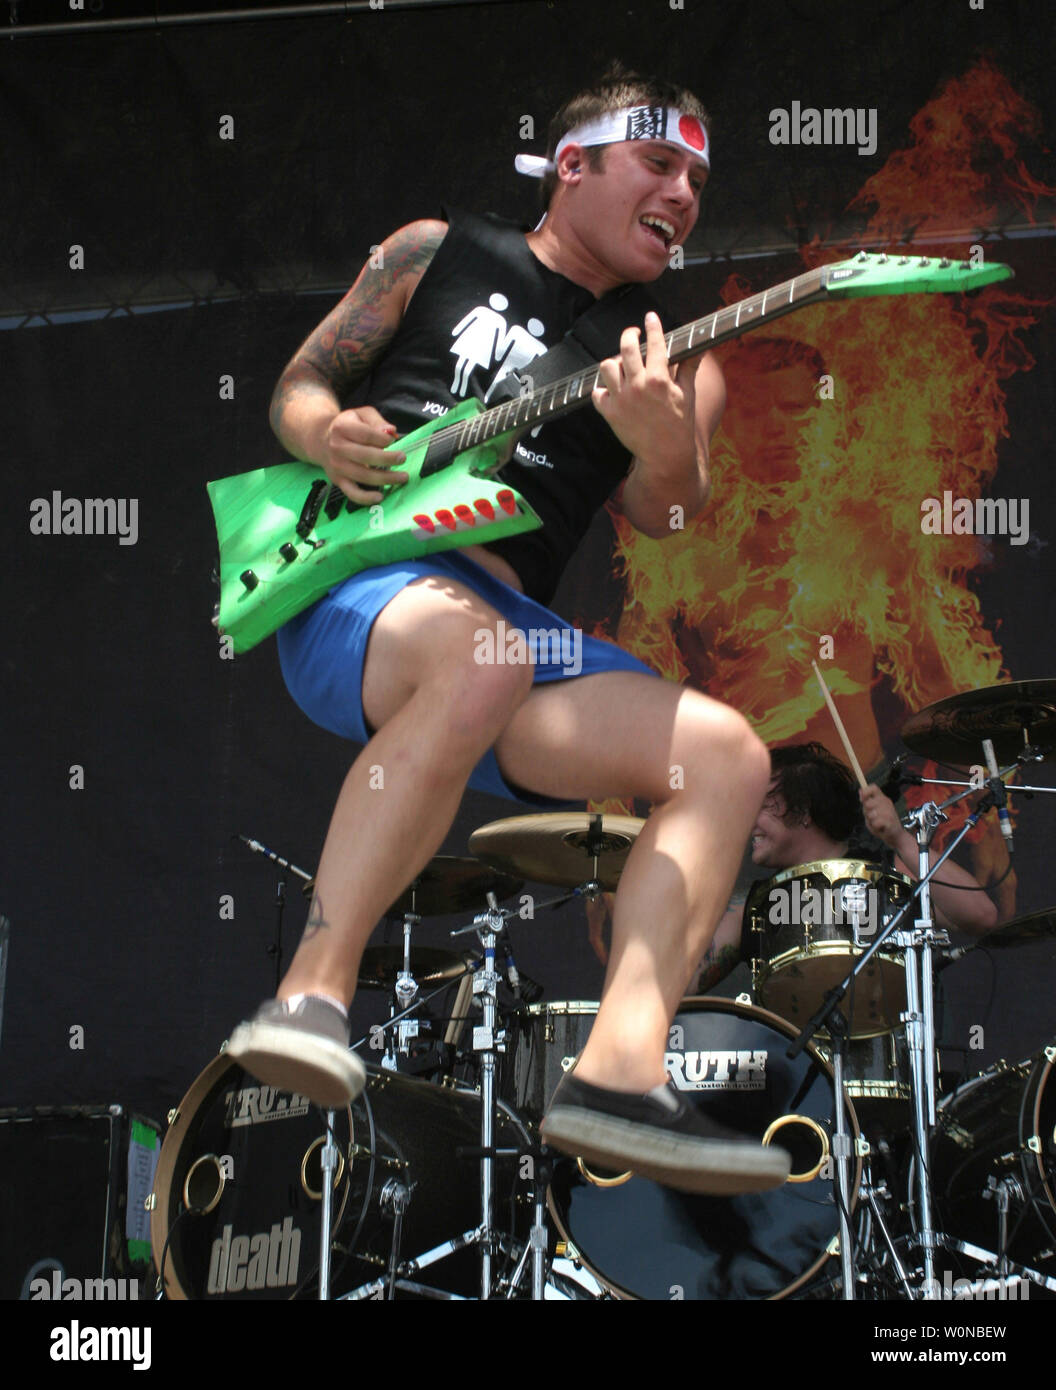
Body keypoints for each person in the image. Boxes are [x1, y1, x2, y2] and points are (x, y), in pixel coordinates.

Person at [226, 66, 791, 1196]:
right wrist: (328, 431)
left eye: (697, 179)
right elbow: (299, 384)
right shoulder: (437, 248)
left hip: (507, 633)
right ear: (573, 164)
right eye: (659, 164)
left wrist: (662, 434)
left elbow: (668, 515)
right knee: (478, 655)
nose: (683, 196)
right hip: (369, 589)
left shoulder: (677, 355)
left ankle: (622, 1070)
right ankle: (312, 992)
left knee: (729, 756)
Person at [690, 742, 999, 992]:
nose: (748, 821)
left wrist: (899, 838)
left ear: (802, 811)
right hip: (791, 1065)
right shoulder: (755, 905)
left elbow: (981, 916)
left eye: (760, 806)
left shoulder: (888, 873)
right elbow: (682, 983)